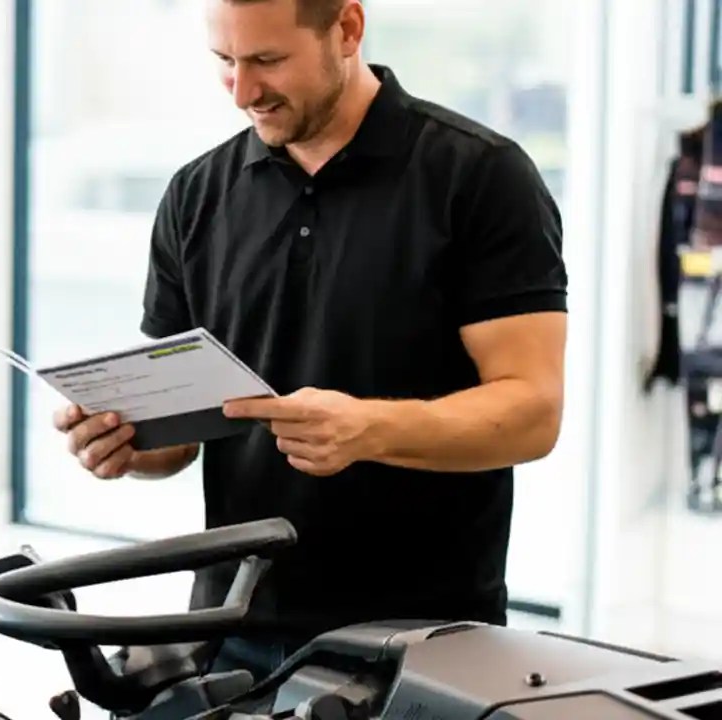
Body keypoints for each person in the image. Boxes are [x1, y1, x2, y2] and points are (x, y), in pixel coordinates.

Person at [51, 0, 568, 683]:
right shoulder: (195, 195)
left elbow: (532, 413)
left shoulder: (479, 178)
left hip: (420, 644)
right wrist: (125, 440)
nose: (242, 92)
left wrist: (369, 429)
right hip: (230, 631)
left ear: (347, 30)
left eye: (267, 61)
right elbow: (183, 433)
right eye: (224, 62)